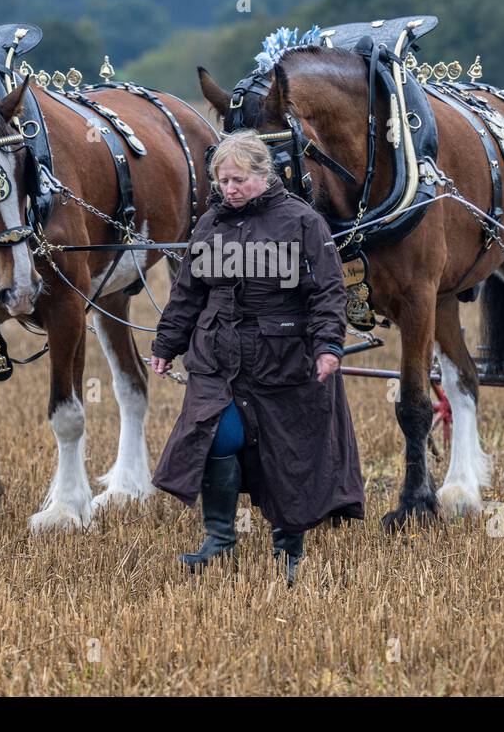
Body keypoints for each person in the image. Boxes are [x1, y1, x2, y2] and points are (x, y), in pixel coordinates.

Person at [149, 129, 363, 584]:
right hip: (218, 360)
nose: (229, 189)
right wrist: (166, 345)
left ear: (264, 176)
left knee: (287, 453)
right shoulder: (209, 224)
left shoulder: (303, 222)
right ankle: (219, 541)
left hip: (283, 362)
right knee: (216, 437)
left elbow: (327, 293)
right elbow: (187, 293)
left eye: (238, 180)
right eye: (223, 181)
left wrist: (328, 346)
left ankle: (289, 550)